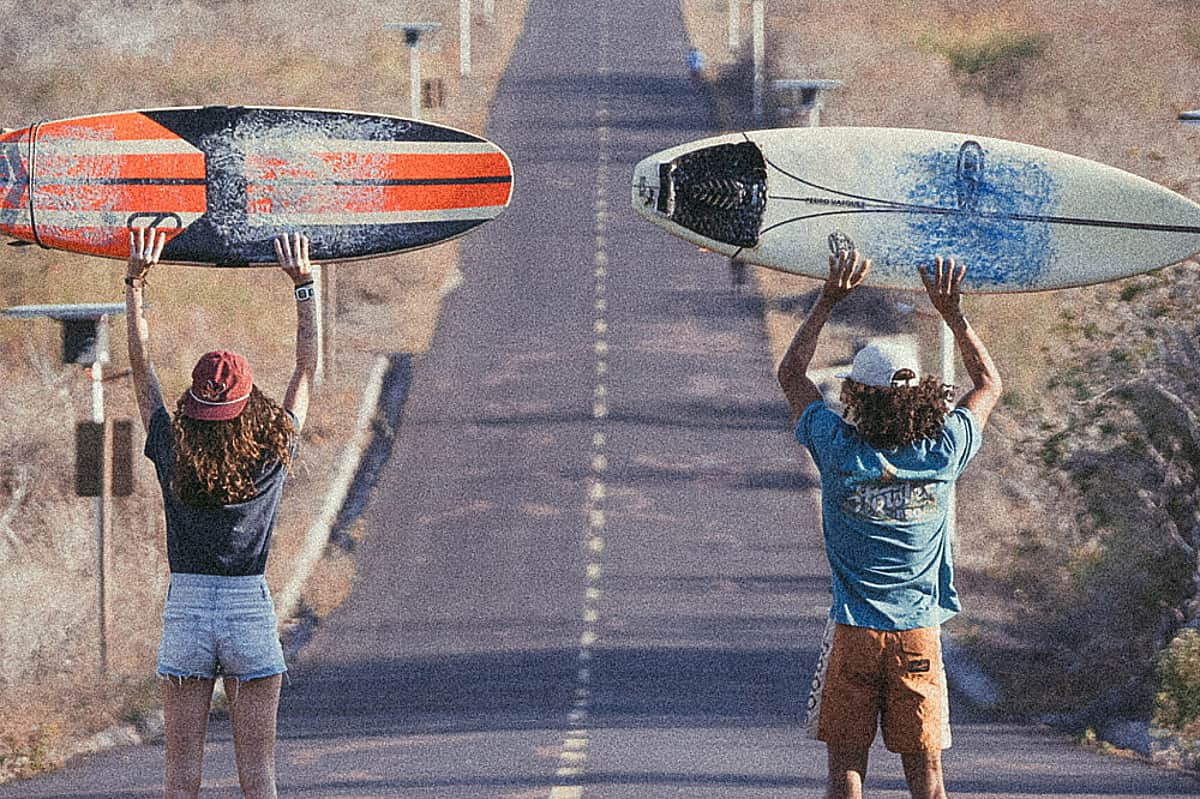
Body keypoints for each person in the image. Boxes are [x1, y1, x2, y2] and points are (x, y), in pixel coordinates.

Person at [777, 249, 1002, 799]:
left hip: (854, 632)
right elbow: (989, 384)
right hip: (917, 635)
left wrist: (828, 298)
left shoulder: (837, 449)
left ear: (857, 396)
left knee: (847, 766)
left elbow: (791, 375)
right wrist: (954, 315)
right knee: (926, 773)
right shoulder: (943, 450)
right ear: (923, 395)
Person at [124, 228, 318, 799]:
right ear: (248, 403)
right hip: (246, 605)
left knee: (180, 781)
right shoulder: (271, 448)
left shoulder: (173, 445)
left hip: (186, 604)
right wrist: (304, 286)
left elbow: (143, 372)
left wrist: (135, 283)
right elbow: (307, 372)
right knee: (258, 778)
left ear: (194, 402)